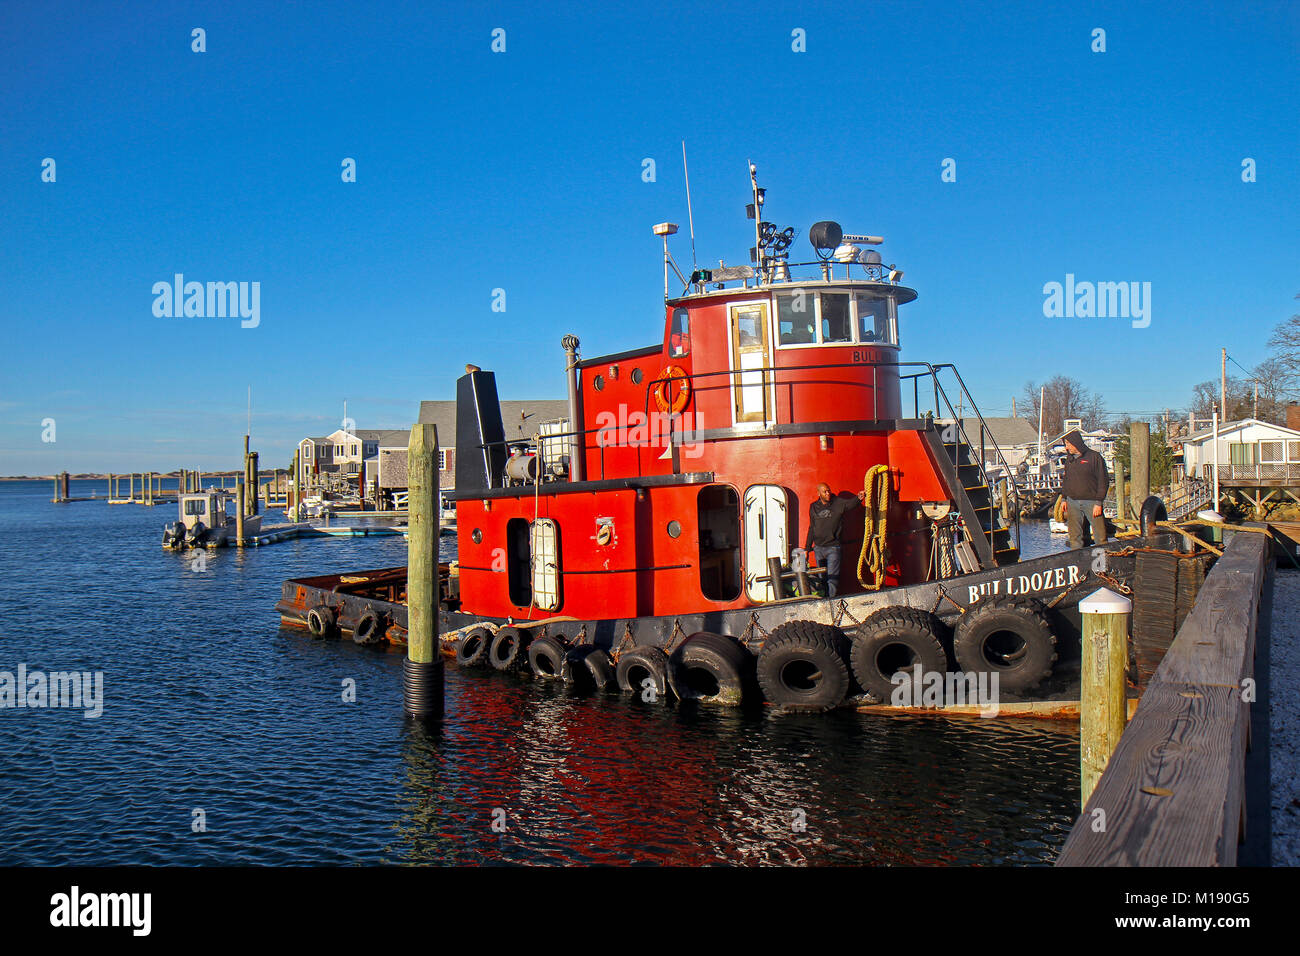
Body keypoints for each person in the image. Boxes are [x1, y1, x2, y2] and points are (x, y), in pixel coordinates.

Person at [804, 482, 866, 597]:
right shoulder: (813, 507)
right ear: (819, 493)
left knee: (832, 578)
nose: (828, 493)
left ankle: (831, 601)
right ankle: (823, 600)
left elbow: (850, 504)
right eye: (825, 492)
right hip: (818, 548)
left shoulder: (837, 502)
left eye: (829, 490)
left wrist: (859, 498)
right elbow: (812, 527)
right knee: (822, 578)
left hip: (833, 547)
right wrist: (807, 548)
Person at [1060, 429, 1109, 550]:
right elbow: (1066, 480)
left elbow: (1103, 481)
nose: (1067, 448)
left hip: (1092, 502)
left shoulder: (1094, 457)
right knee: (1074, 536)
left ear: (1076, 443)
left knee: (1100, 535)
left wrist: (1099, 502)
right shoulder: (1069, 460)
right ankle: (1077, 560)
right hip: (1073, 502)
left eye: (1068, 444)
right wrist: (1064, 498)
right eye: (1065, 444)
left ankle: (1103, 561)